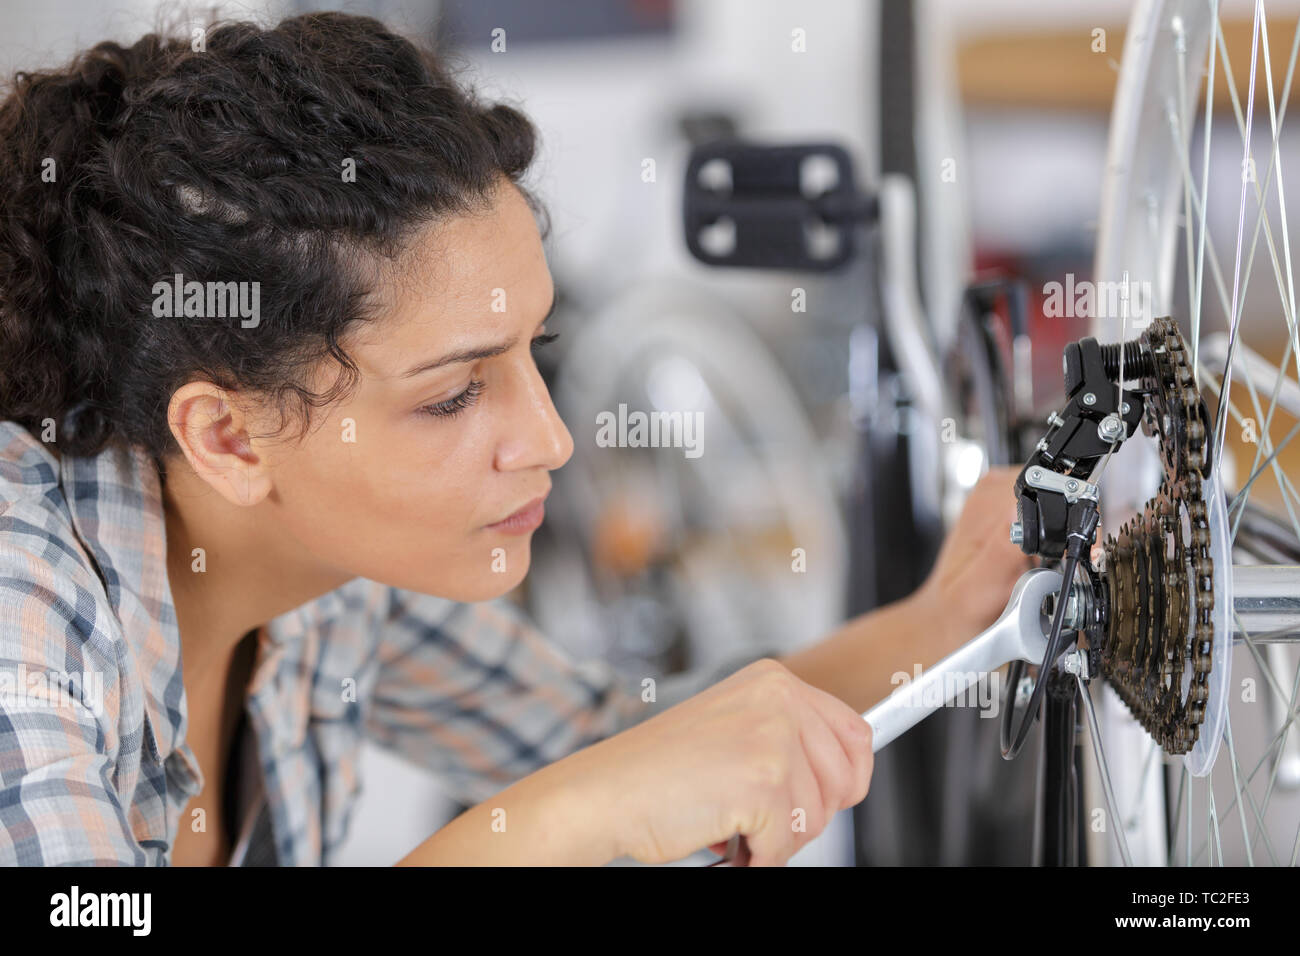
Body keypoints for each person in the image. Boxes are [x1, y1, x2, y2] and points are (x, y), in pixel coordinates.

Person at [0, 11, 1031, 867]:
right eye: (454, 395)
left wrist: (947, 615)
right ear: (227, 436)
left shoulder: (332, 573)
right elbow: (588, 786)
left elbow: (602, 744)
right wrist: (558, 816)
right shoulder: (26, 615)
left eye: (534, 351)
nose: (548, 439)